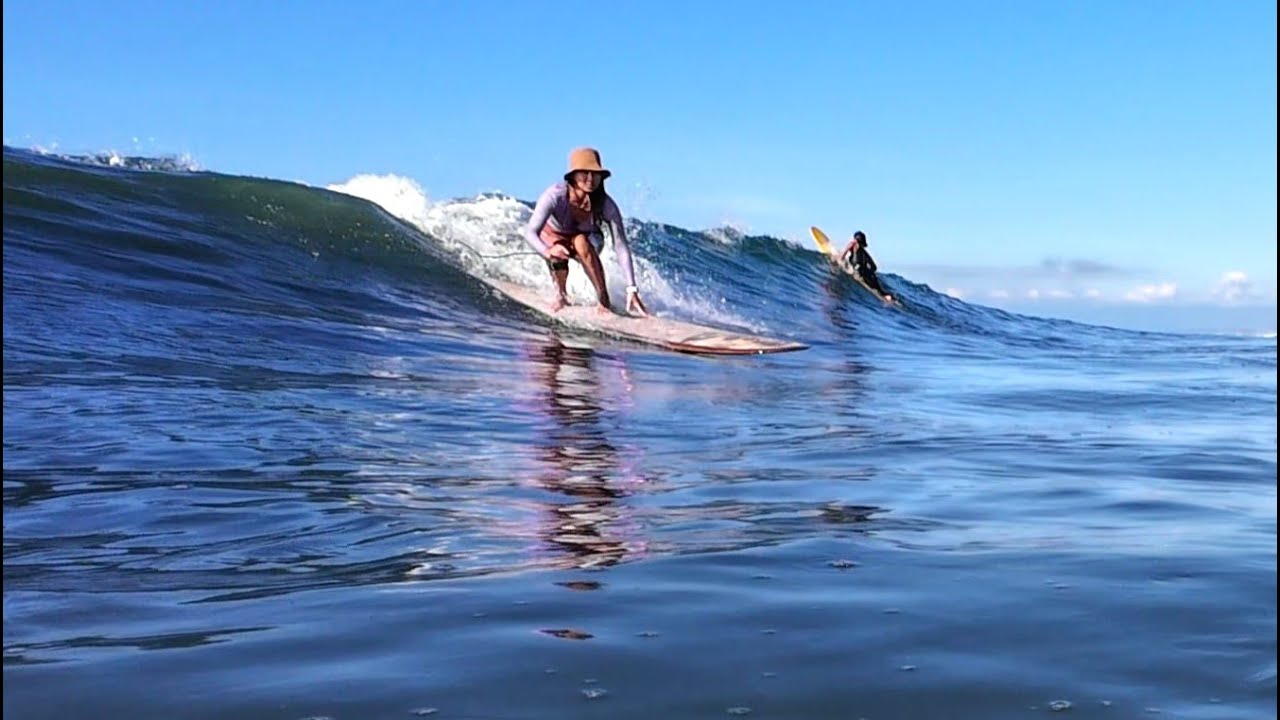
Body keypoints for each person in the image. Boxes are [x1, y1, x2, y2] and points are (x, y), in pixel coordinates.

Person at [523, 147, 648, 316]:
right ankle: (561, 295)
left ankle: (604, 299)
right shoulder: (554, 196)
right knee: (555, 247)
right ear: (573, 175)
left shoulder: (606, 205)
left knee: (580, 241)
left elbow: (621, 246)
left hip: (589, 241)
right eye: (584, 173)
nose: (591, 179)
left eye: (596, 174)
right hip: (554, 237)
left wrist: (632, 288)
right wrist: (548, 251)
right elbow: (530, 232)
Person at [838, 231, 893, 302]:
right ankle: (890, 298)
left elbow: (842, 256)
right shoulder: (864, 253)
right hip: (869, 274)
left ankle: (887, 298)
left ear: (855, 239)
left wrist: (836, 259)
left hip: (860, 273)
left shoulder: (852, 244)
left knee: (876, 291)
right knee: (880, 291)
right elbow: (874, 267)